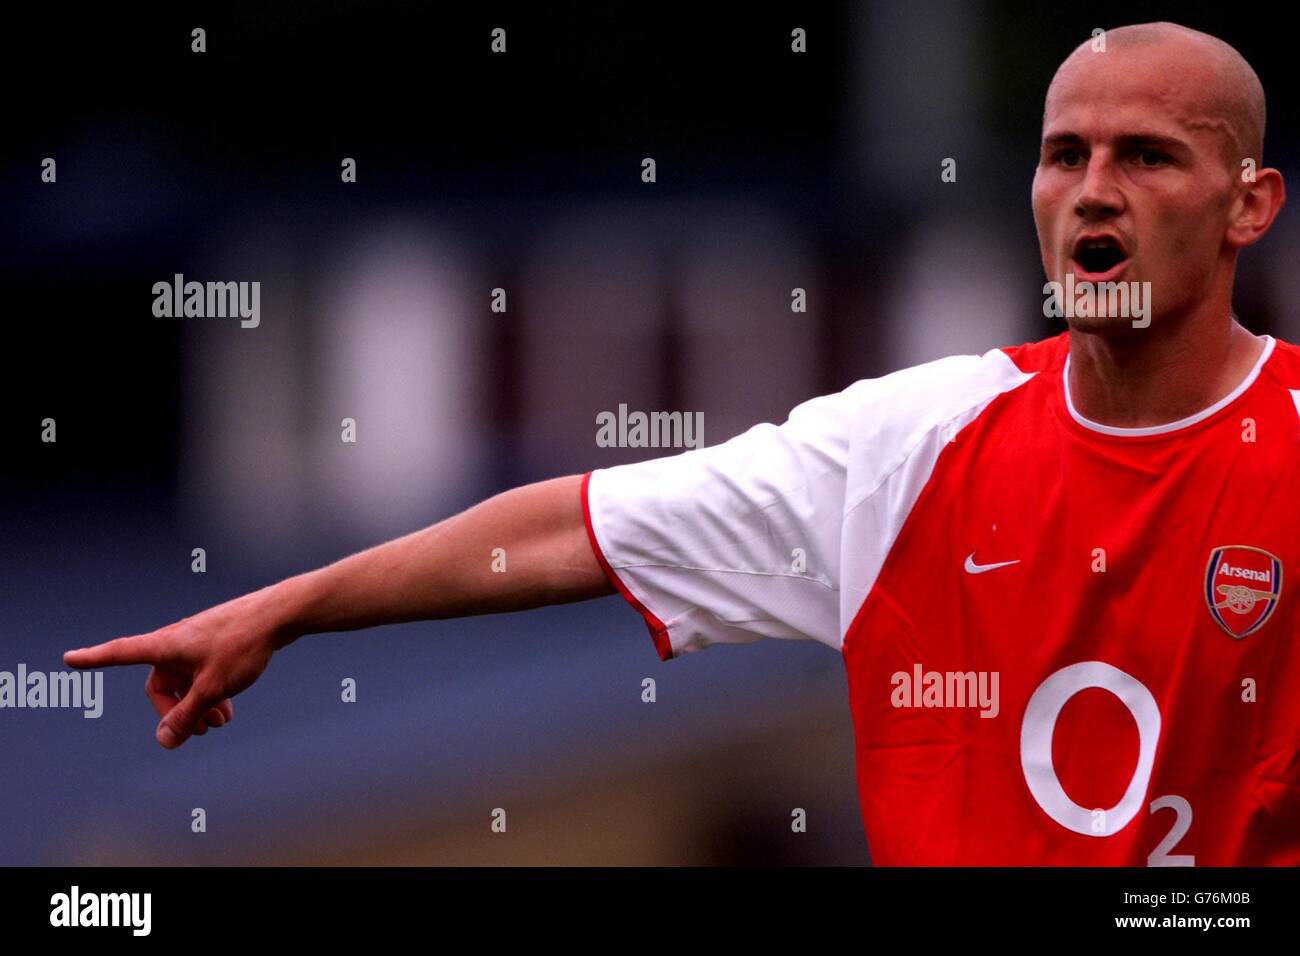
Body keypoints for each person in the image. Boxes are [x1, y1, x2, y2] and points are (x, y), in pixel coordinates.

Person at [66, 22, 1297, 864]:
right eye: (1062, 154)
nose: (1091, 188)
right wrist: (280, 611)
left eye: (1145, 156)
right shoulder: (907, 447)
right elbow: (568, 527)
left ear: (1249, 203)